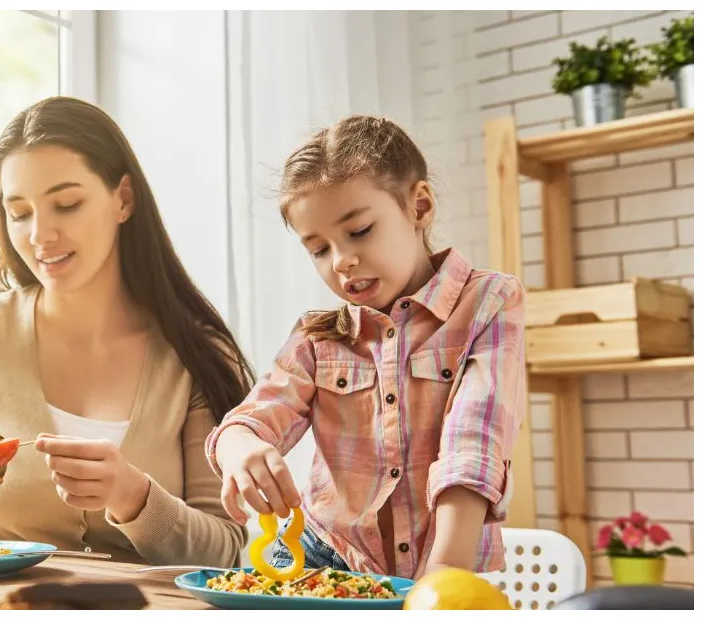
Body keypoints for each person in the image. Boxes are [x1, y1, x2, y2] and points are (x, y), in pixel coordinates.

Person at [0, 96, 255, 567]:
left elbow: (224, 551)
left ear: (123, 199)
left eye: (66, 204)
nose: (41, 234)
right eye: (19, 213)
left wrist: (133, 496)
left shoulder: (197, 352)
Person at [204, 114, 526, 580]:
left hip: (447, 569)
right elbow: (253, 417)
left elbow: (472, 444)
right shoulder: (318, 336)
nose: (341, 261)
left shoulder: (488, 302)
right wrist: (239, 448)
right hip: (327, 564)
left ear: (419, 207)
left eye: (358, 231)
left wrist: (443, 579)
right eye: (318, 249)